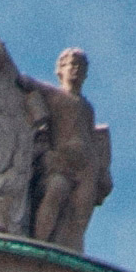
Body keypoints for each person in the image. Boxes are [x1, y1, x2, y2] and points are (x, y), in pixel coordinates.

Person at [34, 45, 114, 250]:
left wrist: (102, 169)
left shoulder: (87, 108)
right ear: (60, 70)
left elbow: (93, 138)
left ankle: (70, 250)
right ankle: (38, 243)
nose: (76, 69)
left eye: (81, 66)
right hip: (61, 161)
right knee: (55, 191)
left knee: (79, 215)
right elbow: (22, 81)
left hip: (87, 167)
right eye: (72, 64)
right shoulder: (52, 94)